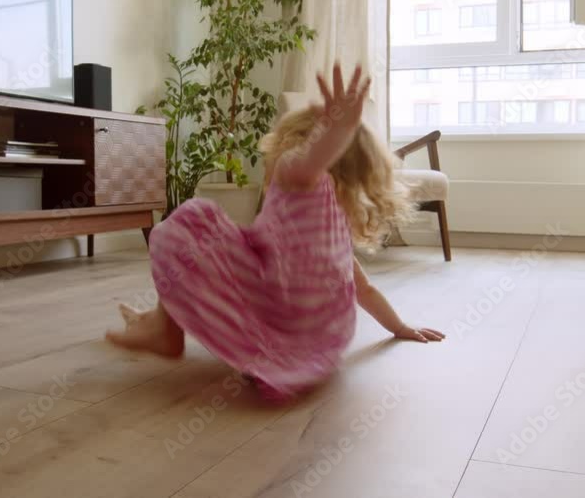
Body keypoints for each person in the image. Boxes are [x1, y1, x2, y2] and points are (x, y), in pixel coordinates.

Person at [107, 64, 444, 400]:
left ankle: (163, 330)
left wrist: (335, 130)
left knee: (192, 221)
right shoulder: (331, 234)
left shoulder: (295, 176)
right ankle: (154, 320)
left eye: (274, 145)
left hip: (277, 316)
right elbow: (365, 290)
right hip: (316, 343)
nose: (267, 156)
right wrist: (399, 327)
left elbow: (312, 160)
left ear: (291, 146)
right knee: (229, 246)